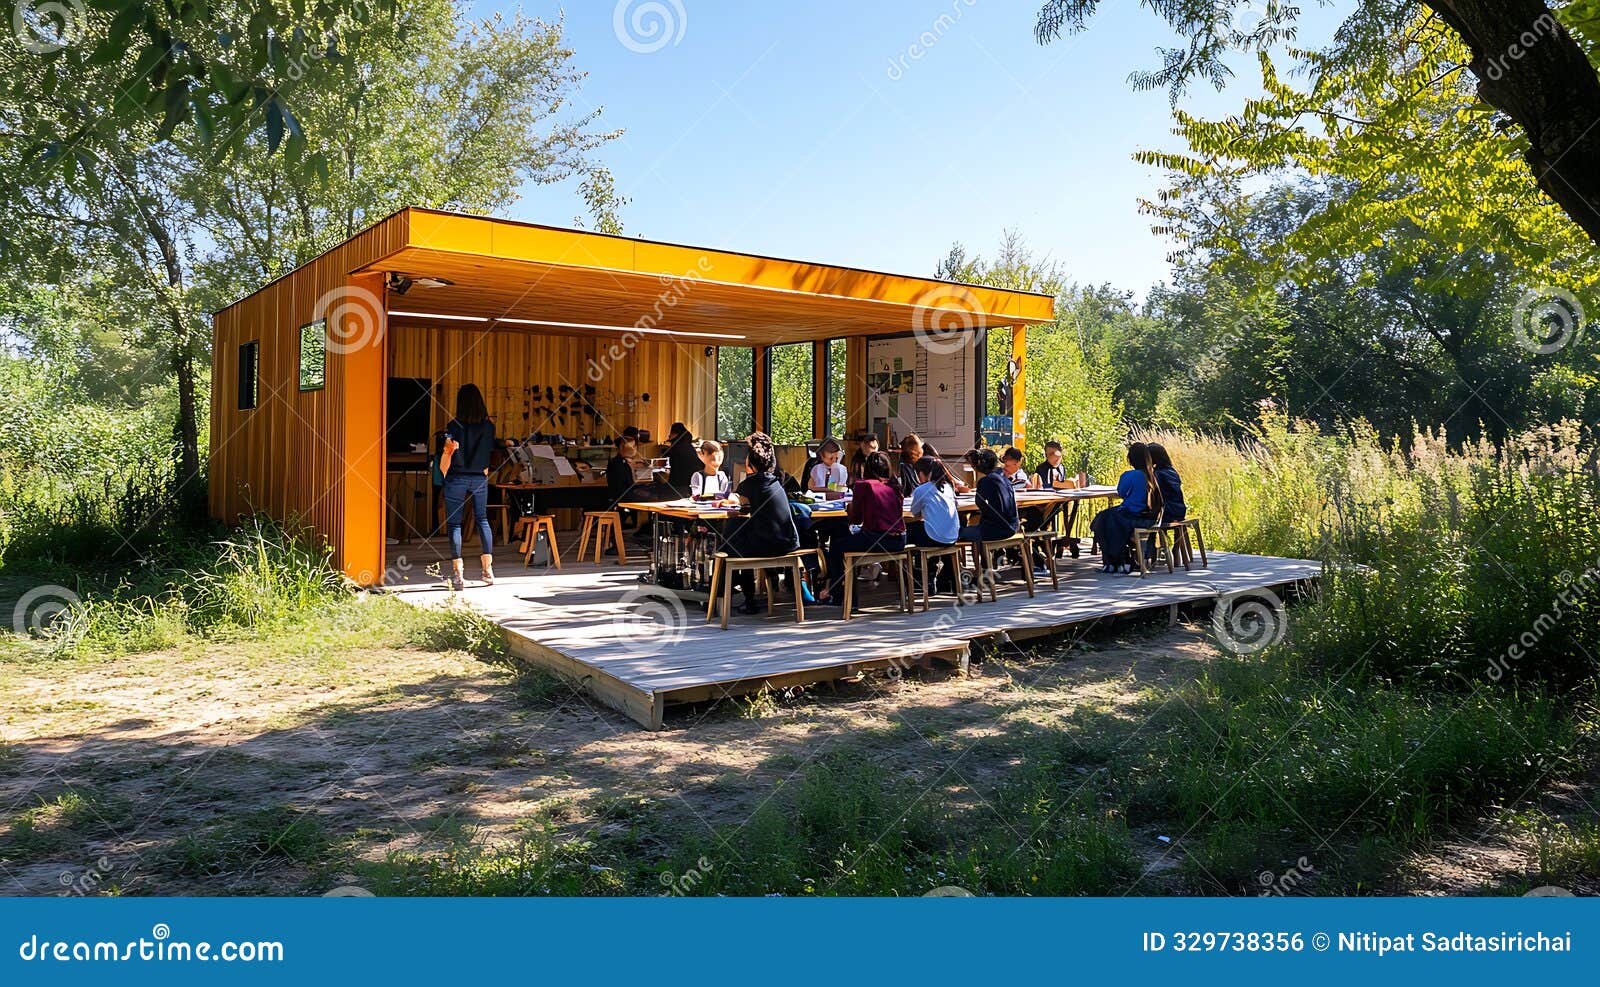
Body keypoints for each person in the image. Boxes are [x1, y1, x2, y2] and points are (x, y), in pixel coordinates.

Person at [724, 432, 801, 614]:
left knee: (732, 536)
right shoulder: (775, 481)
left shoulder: (749, 484)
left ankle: (734, 596)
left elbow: (739, 503)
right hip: (788, 543)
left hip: (767, 546)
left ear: (750, 463)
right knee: (741, 535)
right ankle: (741, 593)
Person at [817, 451, 906, 607]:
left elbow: (856, 519)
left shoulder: (864, 485)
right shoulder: (895, 486)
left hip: (878, 539)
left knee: (837, 545)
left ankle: (839, 595)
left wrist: (850, 508)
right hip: (899, 540)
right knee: (845, 539)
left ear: (867, 468)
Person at [438, 383, 496, 591]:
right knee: (482, 520)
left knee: (455, 525)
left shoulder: (453, 426)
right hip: (479, 477)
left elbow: (447, 451)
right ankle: (488, 571)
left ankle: (458, 575)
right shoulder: (489, 426)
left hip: (457, 477)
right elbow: (489, 452)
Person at [1090, 442, 1164, 573]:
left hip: (1133, 517)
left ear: (1131, 459)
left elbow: (1121, 492)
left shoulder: (1130, 475)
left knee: (1103, 519)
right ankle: (1119, 561)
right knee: (1109, 517)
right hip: (1151, 518)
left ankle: (1112, 560)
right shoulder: (1154, 475)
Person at [908, 455, 960, 594]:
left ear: (921, 473)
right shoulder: (948, 486)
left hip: (933, 538)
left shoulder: (922, 489)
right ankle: (944, 579)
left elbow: (914, 513)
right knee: (928, 528)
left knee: (911, 531)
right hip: (953, 536)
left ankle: (921, 577)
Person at [959, 447, 1019, 545]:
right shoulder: (1006, 479)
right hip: (1013, 527)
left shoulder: (985, 481)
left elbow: (980, 504)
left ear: (976, 467)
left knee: (957, 533)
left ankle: (980, 554)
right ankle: (987, 554)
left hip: (994, 531)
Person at [1035, 440, 1082, 558]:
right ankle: (1043, 541)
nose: (1051, 457)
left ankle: (1067, 537)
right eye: (1048, 454)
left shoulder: (1061, 468)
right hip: (1045, 501)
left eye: (1054, 454)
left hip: (1060, 500)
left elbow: (1061, 483)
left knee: (1071, 508)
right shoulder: (1042, 468)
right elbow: (1044, 486)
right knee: (1045, 516)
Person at [664, 422, 701, 497]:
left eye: (671, 433)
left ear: (675, 433)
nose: (669, 435)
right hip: (691, 484)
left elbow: (675, 470)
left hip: (679, 486)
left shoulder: (677, 446)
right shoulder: (688, 445)